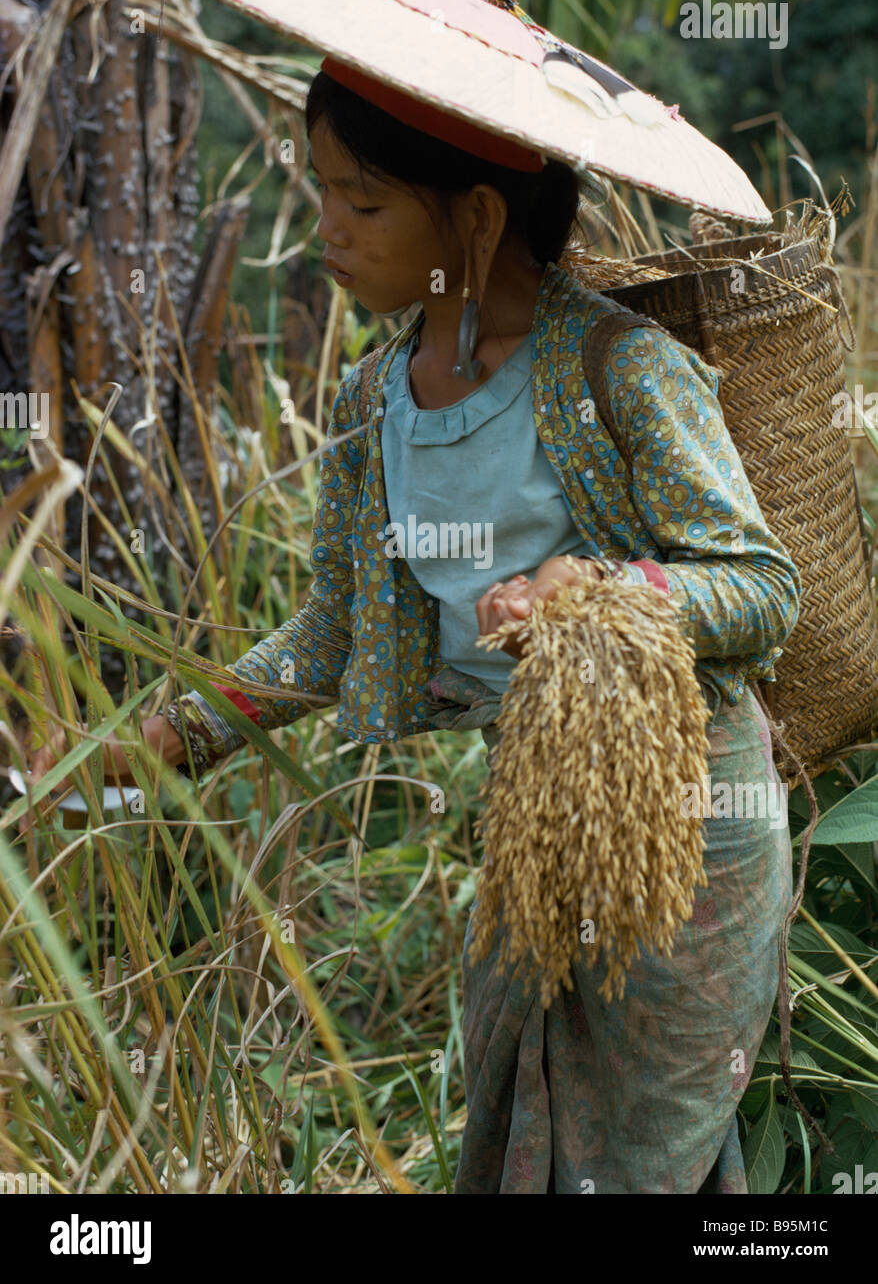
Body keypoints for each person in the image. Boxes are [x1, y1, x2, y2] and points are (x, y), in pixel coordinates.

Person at [30, 64, 801, 1194]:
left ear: (476, 217)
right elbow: (328, 637)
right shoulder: (369, 403)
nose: (326, 231)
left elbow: (757, 583)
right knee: (515, 1116)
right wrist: (160, 736)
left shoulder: (617, 368)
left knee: (644, 1155)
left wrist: (590, 588)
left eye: (366, 201)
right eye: (321, 192)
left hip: (686, 824)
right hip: (535, 815)